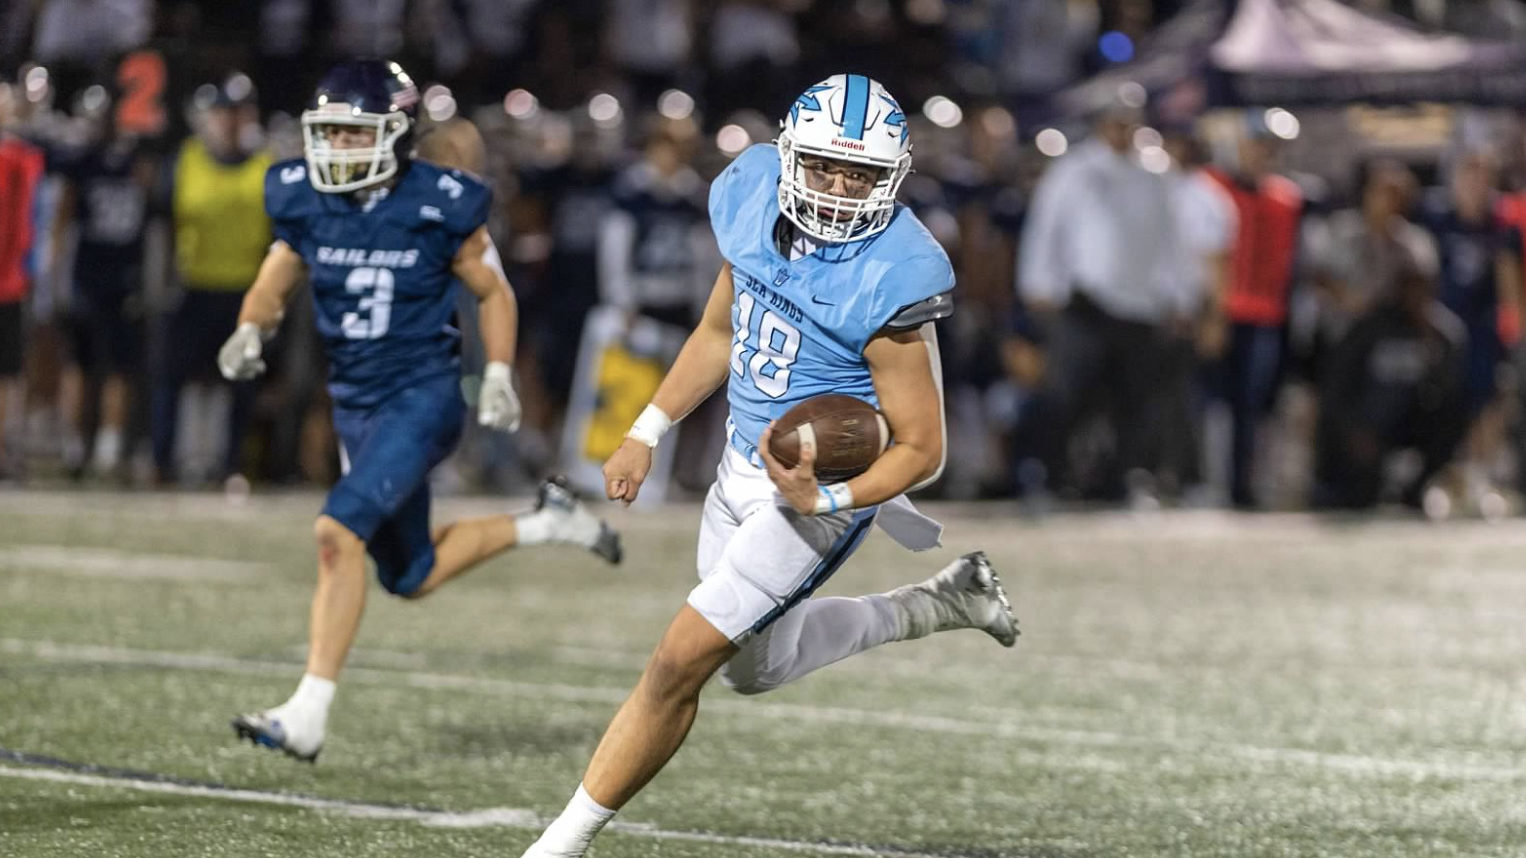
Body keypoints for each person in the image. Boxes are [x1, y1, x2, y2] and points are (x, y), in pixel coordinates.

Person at [519, 74, 1018, 858]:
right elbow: (720, 332)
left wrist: (831, 501)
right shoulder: (753, 196)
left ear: (893, 177)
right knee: (752, 671)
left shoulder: (894, 269)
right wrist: (647, 429)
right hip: (738, 464)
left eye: (860, 173)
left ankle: (558, 845)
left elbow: (924, 449)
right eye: (823, 166)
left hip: (818, 494)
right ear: (788, 157)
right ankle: (939, 603)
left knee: (678, 661)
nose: (839, 188)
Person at [222, 60, 622, 762]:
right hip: (355, 402)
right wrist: (251, 327)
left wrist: (497, 372)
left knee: (336, 531)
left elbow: (494, 291)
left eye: (353, 134)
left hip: (422, 396)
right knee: (410, 573)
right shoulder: (305, 197)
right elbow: (278, 272)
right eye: (328, 133)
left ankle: (309, 712)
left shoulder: (439, 200)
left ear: (396, 133)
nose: (335, 148)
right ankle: (546, 522)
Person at [151, 75, 273, 485]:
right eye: (224, 112)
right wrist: (161, 284)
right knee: (171, 377)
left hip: (245, 290)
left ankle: (233, 465)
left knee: (242, 383)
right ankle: (161, 463)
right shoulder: (186, 159)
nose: (231, 121)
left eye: (239, 112)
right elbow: (163, 224)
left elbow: (279, 239)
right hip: (192, 287)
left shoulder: (266, 166)